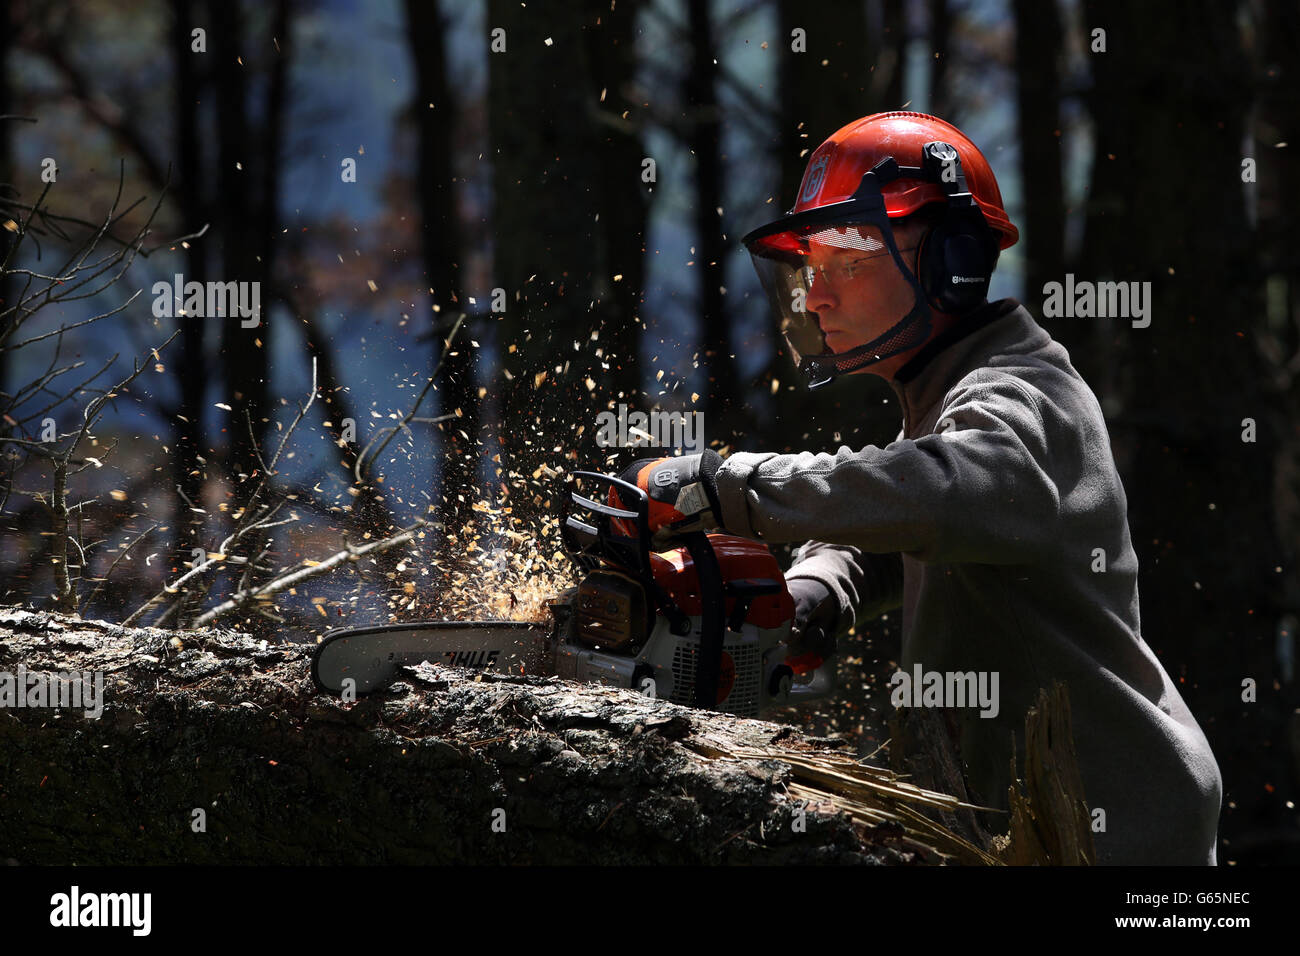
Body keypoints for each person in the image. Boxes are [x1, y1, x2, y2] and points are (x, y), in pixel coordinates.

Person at [618, 111, 1223, 865]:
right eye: (812, 267)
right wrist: (815, 591)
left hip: (1117, 824)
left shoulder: (1025, 393)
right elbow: (910, 524)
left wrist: (727, 486)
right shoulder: (946, 404)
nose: (816, 299)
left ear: (953, 263)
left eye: (849, 262)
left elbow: (944, 492)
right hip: (1014, 823)